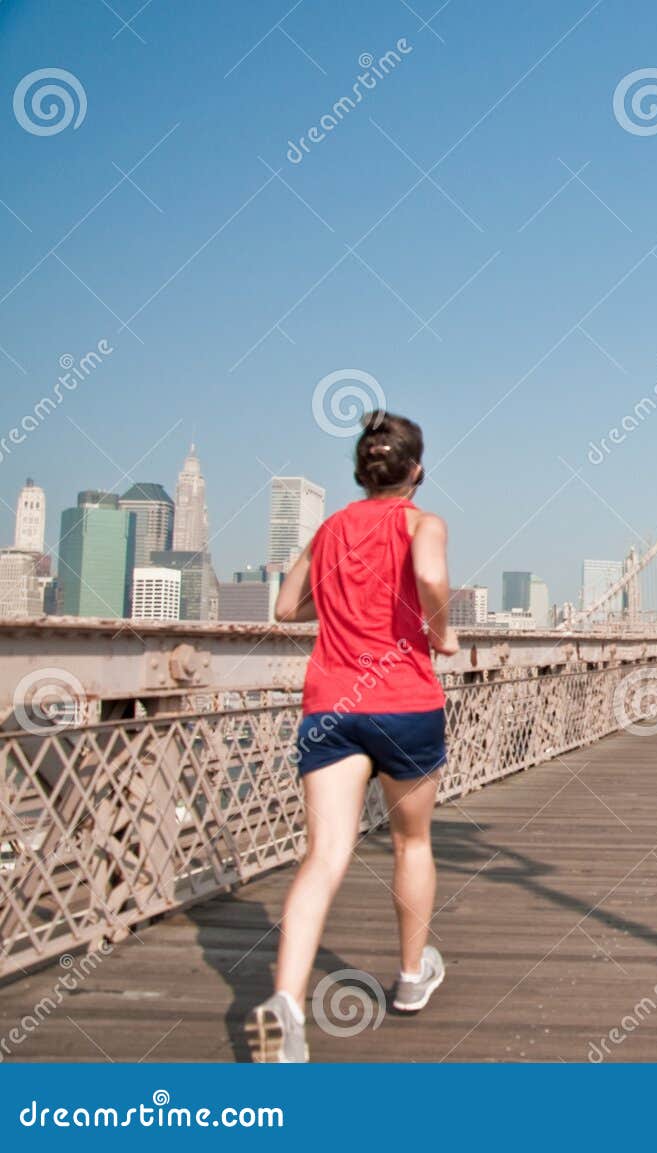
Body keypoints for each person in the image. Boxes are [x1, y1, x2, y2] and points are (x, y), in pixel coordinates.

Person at [244, 411, 459, 1063]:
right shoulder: (424, 522)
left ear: (363, 471)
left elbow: (285, 607)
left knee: (324, 854)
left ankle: (285, 1001)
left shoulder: (331, 527)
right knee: (410, 840)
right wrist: (442, 630)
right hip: (403, 703)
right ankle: (412, 976)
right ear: (416, 470)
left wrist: (336, 600)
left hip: (332, 705)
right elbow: (426, 575)